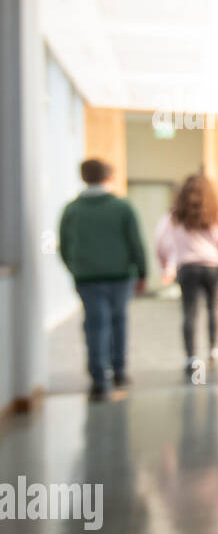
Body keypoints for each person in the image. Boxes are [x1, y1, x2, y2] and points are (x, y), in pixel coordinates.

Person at [58, 159, 148, 400]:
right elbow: (135, 243)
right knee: (118, 322)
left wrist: (76, 268)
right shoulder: (122, 207)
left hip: (87, 278)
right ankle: (118, 371)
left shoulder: (72, 210)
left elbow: (64, 247)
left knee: (95, 326)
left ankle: (99, 378)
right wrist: (142, 272)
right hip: (120, 277)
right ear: (109, 176)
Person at [154, 174, 218, 378]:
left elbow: (162, 242)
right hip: (212, 268)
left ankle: (192, 357)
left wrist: (167, 267)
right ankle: (213, 349)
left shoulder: (175, 216)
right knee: (213, 308)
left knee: (189, 313)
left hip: (188, 269)